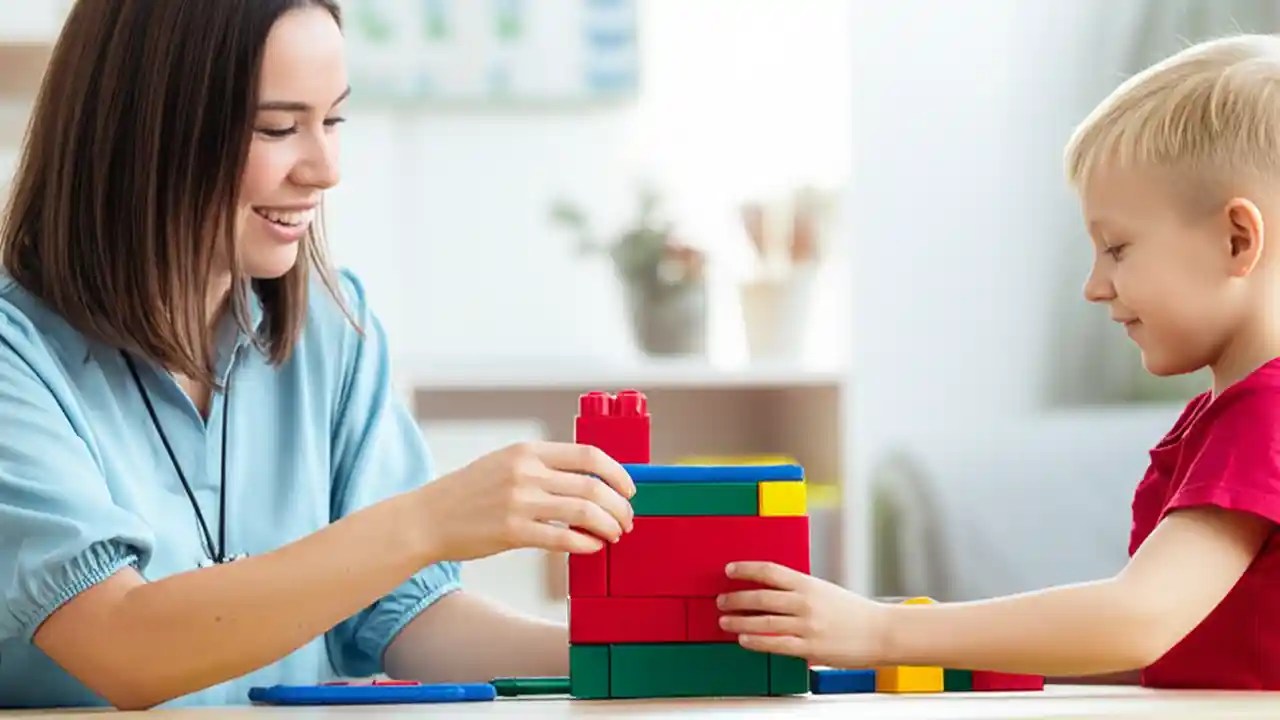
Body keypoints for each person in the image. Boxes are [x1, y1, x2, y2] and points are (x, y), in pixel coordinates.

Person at [0, 0, 635, 710]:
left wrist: (662, 657)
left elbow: (407, 617)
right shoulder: (15, 357)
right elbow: (121, 645)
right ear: (142, 130)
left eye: (332, 120)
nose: (326, 169)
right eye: (278, 127)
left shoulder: (331, 330)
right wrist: (429, 521)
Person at [717, 33, 1280, 691]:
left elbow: (1140, 620)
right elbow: (1176, 652)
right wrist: (942, 647)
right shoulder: (1224, 415)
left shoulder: (1263, 414)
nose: (1094, 286)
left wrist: (879, 632)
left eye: (1118, 248)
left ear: (1237, 240)